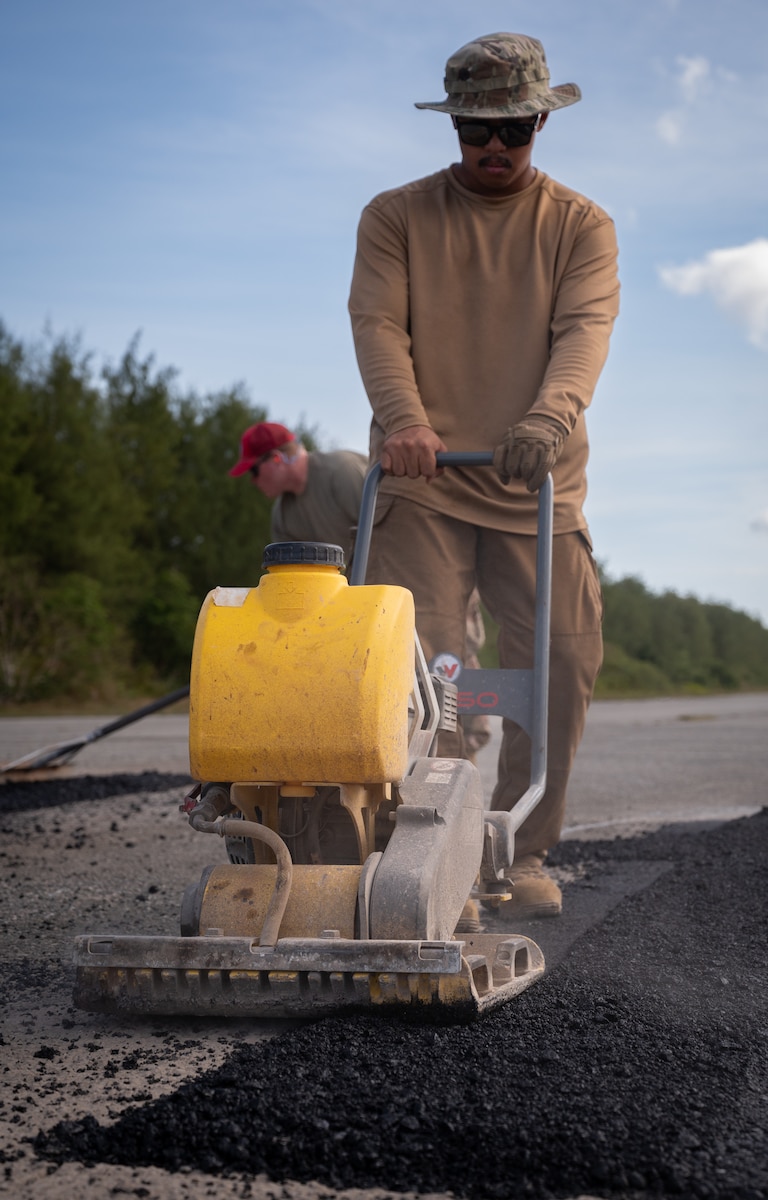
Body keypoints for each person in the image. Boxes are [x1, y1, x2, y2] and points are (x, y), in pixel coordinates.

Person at [348, 32, 620, 922]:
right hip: (425, 475)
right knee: (434, 676)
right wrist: (406, 423)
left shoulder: (579, 224)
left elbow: (584, 330)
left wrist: (549, 417)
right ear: (454, 125)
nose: (493, 150)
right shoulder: (397, 215)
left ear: (541, 122)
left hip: (535, 480)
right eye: (475, 131)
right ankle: (446, 862)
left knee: (563, 659)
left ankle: (526, 848)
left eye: (512, 132)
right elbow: (379, 324)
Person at [229, 420, 492, 760]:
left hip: (419, 580)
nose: (252, 482)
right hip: (366, 609)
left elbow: (396, 531)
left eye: (253, 471)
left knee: (448, 660)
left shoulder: (340, 473)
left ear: (276, 459)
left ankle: (462, 751)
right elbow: (289, 583)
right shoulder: (285, 513)